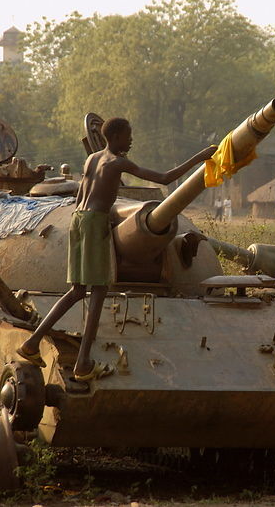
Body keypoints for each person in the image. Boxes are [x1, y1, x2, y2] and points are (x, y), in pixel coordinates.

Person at [17, 117, 216, 381]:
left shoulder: (93, 159)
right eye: (129, 135)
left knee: (77, 290)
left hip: (78, 219)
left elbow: (80, 196)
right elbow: (165, 178)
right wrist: (200, 158)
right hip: (95, 222)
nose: (132, 140)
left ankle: (32, 344)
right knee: (99, 290)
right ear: (118, 136)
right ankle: (84, 363)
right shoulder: (118, 162)